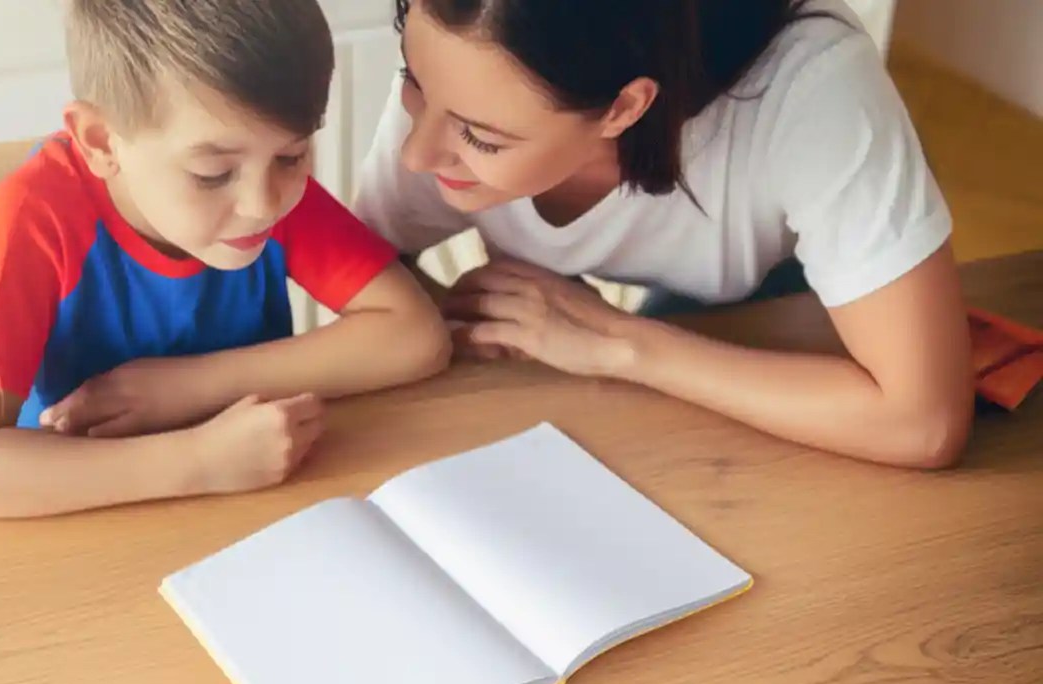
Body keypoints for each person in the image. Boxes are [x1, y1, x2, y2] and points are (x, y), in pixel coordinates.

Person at [354, 0, 973, 469]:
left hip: (786, 313)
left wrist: (624, 344)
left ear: (624, 109)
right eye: (414, 81)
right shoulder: (466, 62)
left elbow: (924, 421)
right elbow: (362, 268)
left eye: (481, 138)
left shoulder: (812, 90)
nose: (416, 153)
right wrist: (453, 325)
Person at [0, 0, 450, 518]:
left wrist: (183, 388)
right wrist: (200, 462)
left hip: (262, 497)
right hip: (89, 512)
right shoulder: (37, 216)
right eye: (212, 175)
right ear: (102, 142)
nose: (262, 205)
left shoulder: (265, 179)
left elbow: (415, 335)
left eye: (292, 156)